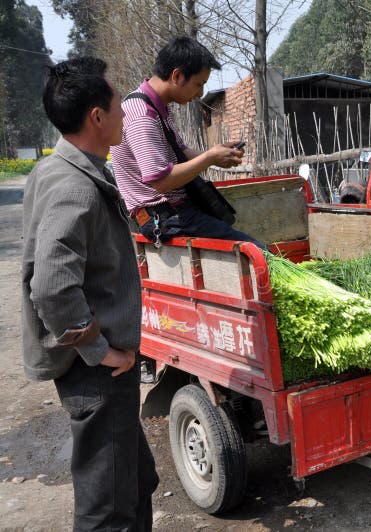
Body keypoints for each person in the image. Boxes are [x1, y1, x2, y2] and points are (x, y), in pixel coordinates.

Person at [22, 57, 159, 530]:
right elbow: (52, 287)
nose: (125, 112)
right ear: (96, 117)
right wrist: (101, 352)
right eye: (119, 102)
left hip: (102, 371)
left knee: (138, 483)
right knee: (109, 512)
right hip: (97, 375)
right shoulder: (74, 188)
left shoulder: (56, 169)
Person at [111, 36, 262, 247]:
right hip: (163, 216)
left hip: (176, 210)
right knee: (256, 252)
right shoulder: (142, 117)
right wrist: (209, 158)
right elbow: (161, 181)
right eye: (198, 84)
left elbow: (181, 150)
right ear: (177, 76)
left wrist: (216, 154)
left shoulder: (157, 106)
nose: (200, 93)